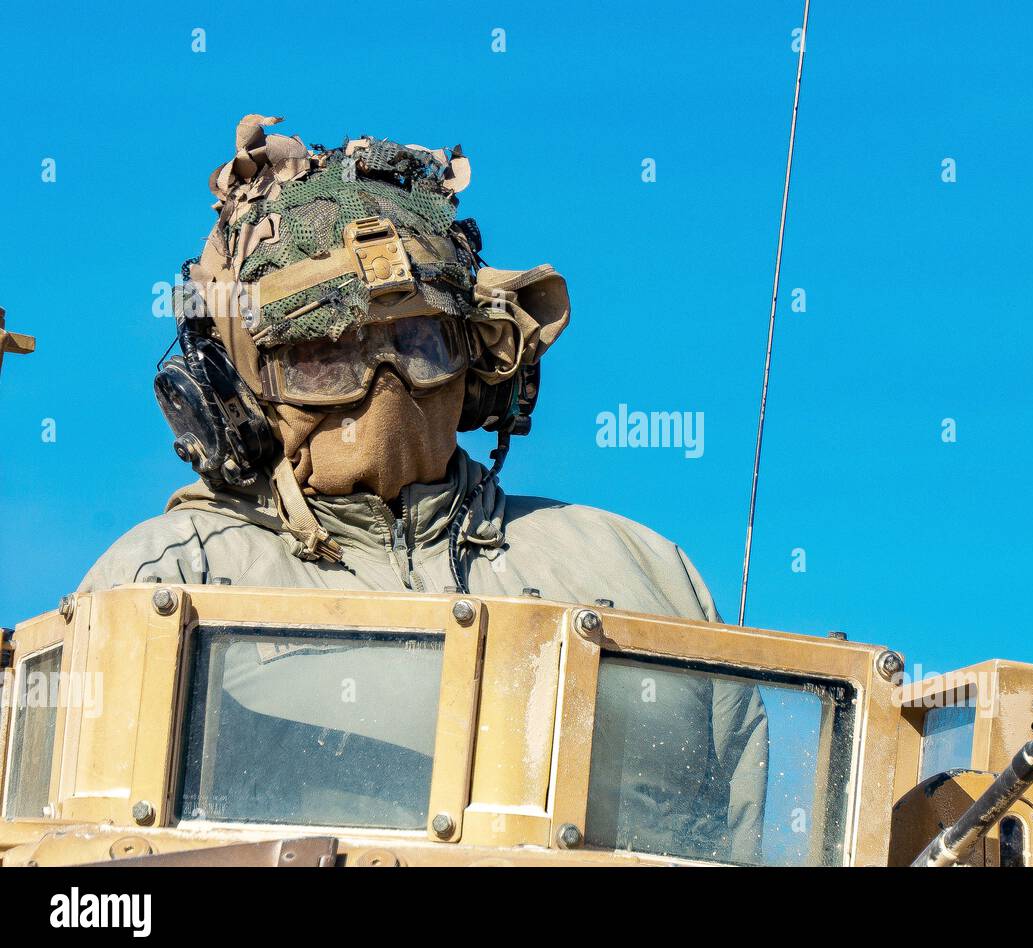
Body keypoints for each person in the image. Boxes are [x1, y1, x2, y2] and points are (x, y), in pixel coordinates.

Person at [79, 115, 768, 861]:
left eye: (418, 342)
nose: (385, 384)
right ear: (235, 383)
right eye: (322, 354)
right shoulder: (166, 585)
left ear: (480, 359)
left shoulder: (637, 575)